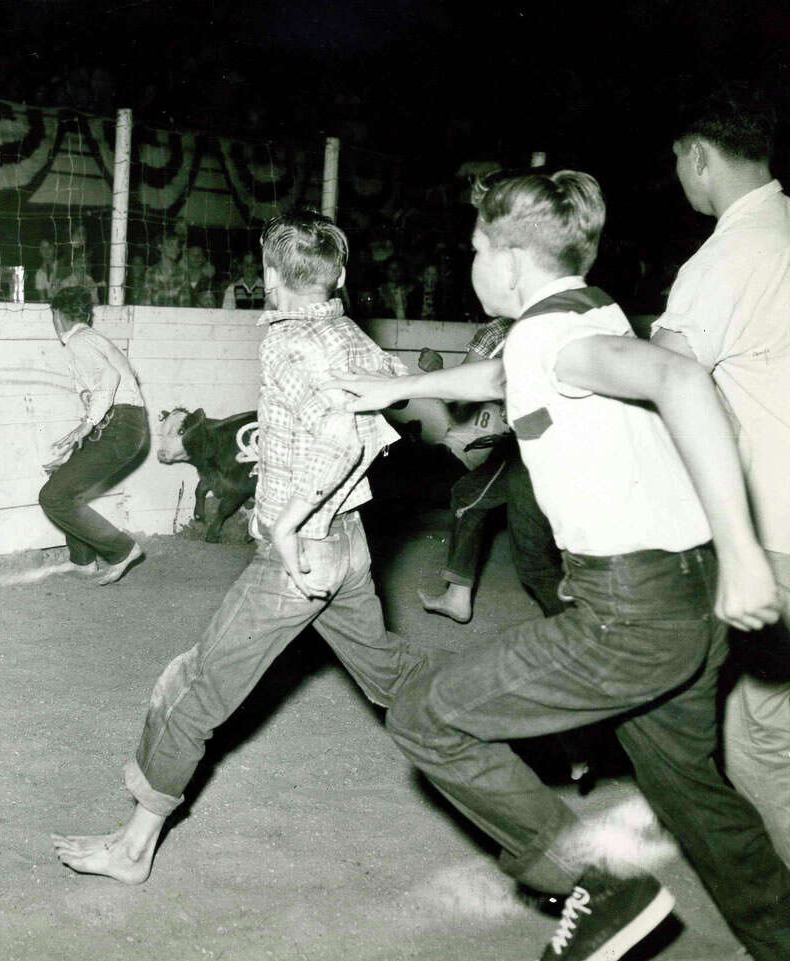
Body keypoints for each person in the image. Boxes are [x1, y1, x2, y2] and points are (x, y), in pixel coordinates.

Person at [326, 170, 790, 961]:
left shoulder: (550, 337)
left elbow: (679, 376)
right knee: (691, 794)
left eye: (477, 249)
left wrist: (748, 550)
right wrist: (396, 386)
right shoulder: (586, 309)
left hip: (629, 610)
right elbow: (505, 374)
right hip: (689, 594)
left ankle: (598, 886)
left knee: (425, 716)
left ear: (509, 260)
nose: (472, 262)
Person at [52, 210, 425, 884]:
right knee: (391, 676)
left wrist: (287, 523)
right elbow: (390, 383)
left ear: (270, 276)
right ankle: (515, 726)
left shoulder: (287, 342)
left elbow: (341, 439)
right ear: (339, 274)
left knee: (192, 687)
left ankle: (133, 849)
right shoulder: (344, 330)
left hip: (299, 555)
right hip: (350, 546)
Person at [649, 88, 790, 865]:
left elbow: (667, 374)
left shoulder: (732, 252)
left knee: (760, 742)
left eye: (678, 160)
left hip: (775, 525)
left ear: (699, 155)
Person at [417, 317, 565, 624]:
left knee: (534, 556)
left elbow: (456, 392)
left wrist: (434, 369)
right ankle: (457, 597)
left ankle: (581, 633)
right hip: (546, 438)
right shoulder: (553, 321)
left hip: (539, 442)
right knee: (468, 495)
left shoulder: (500, 330)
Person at [38, 285, 147, 585]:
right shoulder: (92, 340)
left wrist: (87, 424)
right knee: (60, 486)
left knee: (53, 497)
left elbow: (111, 378)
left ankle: (122, 549)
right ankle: (83, 561)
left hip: (119, 426)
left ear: (57, 315)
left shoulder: (79, 342)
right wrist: (82, 440)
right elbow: (115, 385)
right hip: (122, 425)